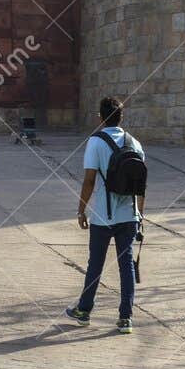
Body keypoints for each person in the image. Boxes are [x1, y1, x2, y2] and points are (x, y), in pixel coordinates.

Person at [66, 96, 145, 334]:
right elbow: (141, 184)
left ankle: (84, 310)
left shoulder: (96, 142)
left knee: (95, 265)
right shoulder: (136, 144)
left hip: (102, 216)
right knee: (126, 266)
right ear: (122, 118)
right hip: (128, 215)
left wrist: (81, 209)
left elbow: (89, 180)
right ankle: (125, 318)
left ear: (100, 118)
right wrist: (140, 215)